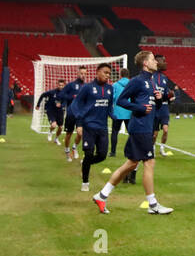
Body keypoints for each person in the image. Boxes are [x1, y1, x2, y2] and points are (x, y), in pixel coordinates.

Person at [93, 51, 172, 215]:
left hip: (145, 127)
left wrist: (158, 98)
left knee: (131, 164)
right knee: (149, 163)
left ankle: (102, 195)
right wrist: (139, 108)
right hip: (140, 127)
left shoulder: (150, 82)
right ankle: (153, 204)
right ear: (145, 63)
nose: (156, 62)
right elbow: (121, 100)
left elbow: (151, 105)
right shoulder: (137, 81)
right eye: (152, 60)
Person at [71, 63, 114, 192]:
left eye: (109, 74)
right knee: (89, 153)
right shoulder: (87, 88)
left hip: (103, 128)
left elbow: (109, 105)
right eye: (105, 72)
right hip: (88, 126)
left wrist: (113, 115)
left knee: (102, 155)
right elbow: (75, 104)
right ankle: (85, 182)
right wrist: (79, 122)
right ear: (97, 72)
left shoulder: (110, 89)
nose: (107, 76)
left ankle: (85, 163)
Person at [110, 68, 137, 185]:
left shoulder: (115, 85)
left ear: (120, 75)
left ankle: (113, 152)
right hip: (129, 112)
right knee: (131, 133)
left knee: (115, 132)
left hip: (117, 112)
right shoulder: (132, 84)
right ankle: (131, 150)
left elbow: (113, 98)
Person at [60, 67, 88, 161]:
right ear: (77, 73)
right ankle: (67, 151)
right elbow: (61, 94)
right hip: (71, 114)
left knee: (80, 133)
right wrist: (71, 97)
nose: (83, 75)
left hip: (81, 114)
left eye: (85, 73)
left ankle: (74, 148)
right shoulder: (71, 85)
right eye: (81, 73)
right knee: (69, 134)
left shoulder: (86, 86)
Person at [153, 56, 174, 156]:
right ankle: (152, 147)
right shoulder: (151, 76)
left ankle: (162, 148)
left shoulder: (165, 78)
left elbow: (166, 94)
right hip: (155, 108)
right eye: (163, 61)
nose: (165, 63)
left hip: (164, 108)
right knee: (154, 134)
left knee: (165, 130)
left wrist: (170, 96)